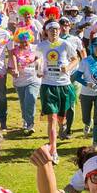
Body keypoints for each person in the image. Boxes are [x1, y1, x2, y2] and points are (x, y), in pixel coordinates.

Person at [38, 20, 81, 160]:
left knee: (61, 118)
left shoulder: (65, 44)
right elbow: (37, 60)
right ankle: (53, 150)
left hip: (64, 85)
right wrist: (38, 70)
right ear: (46, 31)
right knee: (52, 118)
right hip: (48, 85)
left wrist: (68, 68)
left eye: (57, 29)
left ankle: (62, 125)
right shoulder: (41, 46)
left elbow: (76, 59)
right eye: (51, 29)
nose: (55, 31)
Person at [6, 26, 42, 138]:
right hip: (20, 81)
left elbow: (39, 60)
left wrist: (39, 69)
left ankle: (30, 124)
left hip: (34, 79)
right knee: (23, 103)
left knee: (30, 98)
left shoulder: (35, 48)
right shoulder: (14, 52)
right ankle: (25, 121)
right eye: (21, 42)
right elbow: (9, 68)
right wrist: (13, 72)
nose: (24, 44)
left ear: (29, 40)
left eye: (25, 41)